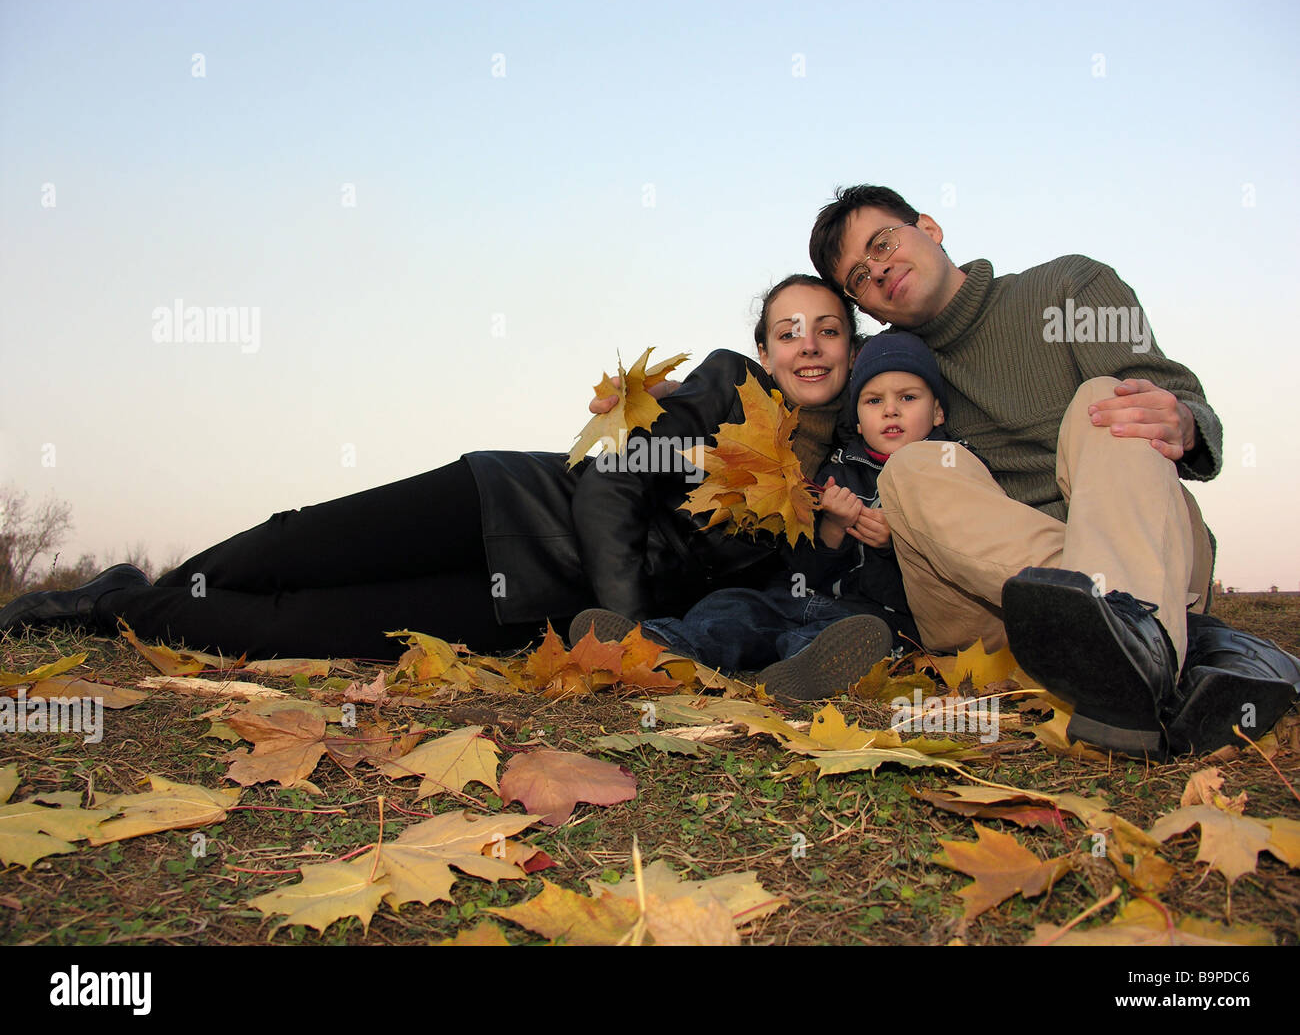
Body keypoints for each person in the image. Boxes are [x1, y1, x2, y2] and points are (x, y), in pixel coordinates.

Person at [0, 275, 865, 666]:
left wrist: (834, 535)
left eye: (827, 329)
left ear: (851, 348)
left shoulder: (829, 476)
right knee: (288, 545)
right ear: (762, 347)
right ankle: (110, 595)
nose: (808, 345)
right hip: (500, 503)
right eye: (789, 329)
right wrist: (628, 625)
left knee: (286, 632)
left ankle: (122, 605)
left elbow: (772, 596)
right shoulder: (723, 389)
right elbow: (612, 480)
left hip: (524, 605)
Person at [804, 184, 1300, 757]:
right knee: (913, 466)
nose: (878, 270)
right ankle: (1164, 647)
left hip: (1147, 548)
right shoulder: (896, 369)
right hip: (987, 607)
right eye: (858, 277)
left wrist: (1185, 421)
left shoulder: (1068, 289)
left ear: (930, 229)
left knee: (1106, 400)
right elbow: (813, 401)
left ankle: (1130, 639)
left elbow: (1174, 396)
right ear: (864, 306)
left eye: (883, 242)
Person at [572, 329, 955, 704]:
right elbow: (804, 562)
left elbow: (957, 558)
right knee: (731, 607)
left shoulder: (951, 471)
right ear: (856, 421)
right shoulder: (837, 470)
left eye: (907, 397)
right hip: (799, 597)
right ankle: (660, 647)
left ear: (937, 411)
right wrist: (834, 529)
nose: (890, 410)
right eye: (873, 401)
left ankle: (803, 671)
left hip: (869, 612)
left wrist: (897, 541)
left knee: (841, 635)